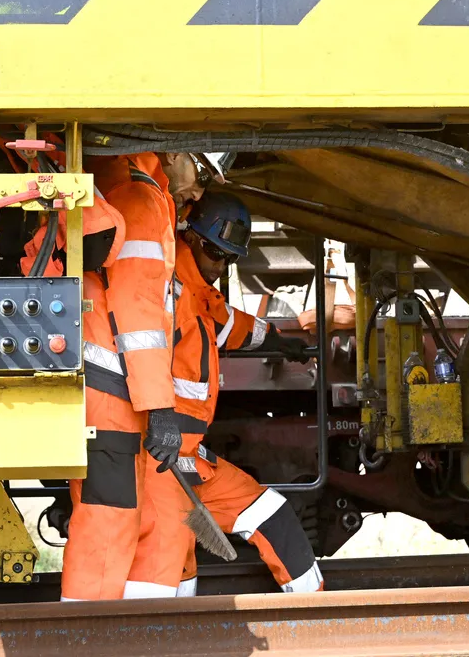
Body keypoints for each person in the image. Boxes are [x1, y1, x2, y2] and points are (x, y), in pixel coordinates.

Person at [125, 191, 324, 598]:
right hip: (156, 461)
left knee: (272, 515)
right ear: (191, 237)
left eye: (231, 259)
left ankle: (321, 622)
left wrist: (275, 338)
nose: (222, 267)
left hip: (189, 460)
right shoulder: (166, 290)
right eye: (217, 253)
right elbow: (143, 354)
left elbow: (224, 322)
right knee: (165, 575)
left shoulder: (196, 292)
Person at [60, 152, 205, 601]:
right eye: (200, 175)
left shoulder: (139, 187)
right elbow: (138, 313)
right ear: (178, 154)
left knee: (114, 518)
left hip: (109, 387)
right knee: (107, 525)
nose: (198, 192)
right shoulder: (140, 198)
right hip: (110, 390)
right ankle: (82, 640)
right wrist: (160, 407)